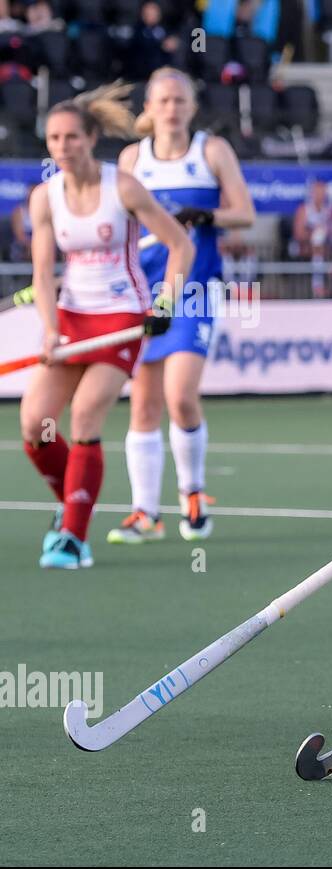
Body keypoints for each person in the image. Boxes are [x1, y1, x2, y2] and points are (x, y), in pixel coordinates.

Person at [19, 84, 192, 569]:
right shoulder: (44, 197)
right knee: (36, 425)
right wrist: (50, 331)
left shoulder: (125, 187)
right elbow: (42, 272)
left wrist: (165, 302)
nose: (62, 147)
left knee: (85, 417)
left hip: (121, 319)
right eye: (54, 139)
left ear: (91, 137)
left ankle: (74, 539)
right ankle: (70, 500)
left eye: (72, 137)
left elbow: (181, 245)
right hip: (73, 317)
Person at [110, 67, 254, 546]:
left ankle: (192, 494)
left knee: (180, 396)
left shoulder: (211, 151)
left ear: (192, 106)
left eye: (180, 101)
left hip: (193, 289)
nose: (172, 109)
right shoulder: (132, 158)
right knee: (143, 403)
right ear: (148, 109)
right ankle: (145, 513)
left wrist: (206, 215)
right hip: (143, 292)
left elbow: (246, 213)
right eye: (163, 101)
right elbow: (118, 223)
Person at [293, 179, 332, 298]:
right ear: (312, 193)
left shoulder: (328, 210)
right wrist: (313, 232)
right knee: (317, 245)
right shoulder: (305, 210)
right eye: (317, 192)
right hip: (304, 246)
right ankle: (317, 287)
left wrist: (324, 231)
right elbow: (298, 234)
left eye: (322, 192)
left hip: (324, 246)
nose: (320, 195)